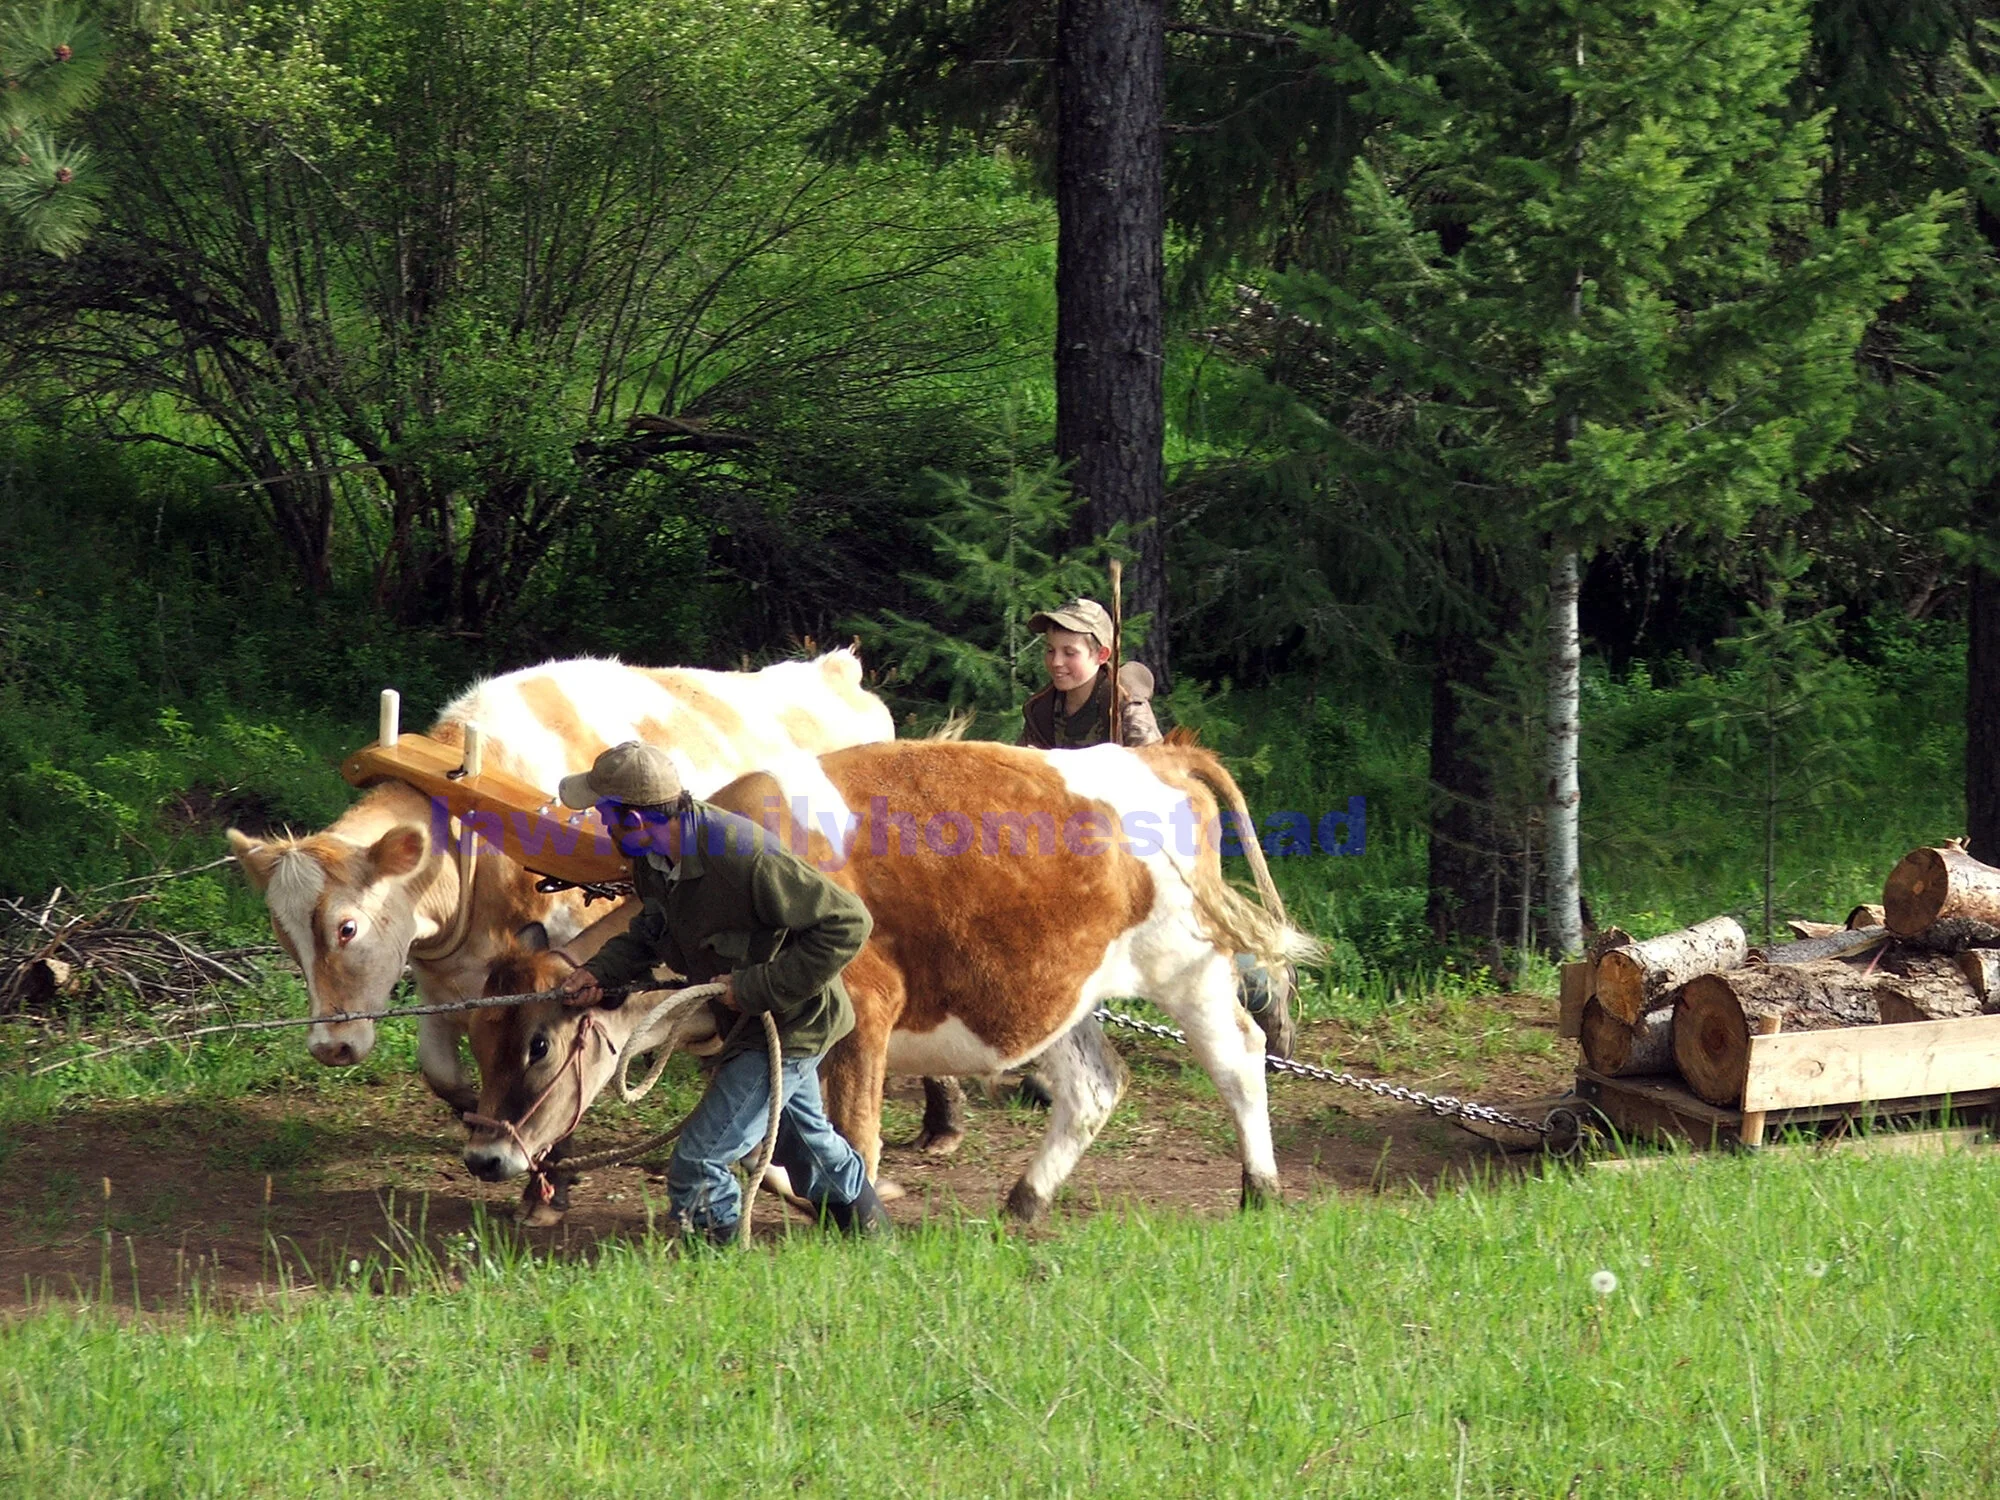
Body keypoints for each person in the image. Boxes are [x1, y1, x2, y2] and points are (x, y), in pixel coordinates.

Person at [555, 741, 890, 1243]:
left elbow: (847, 923)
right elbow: (653, 928)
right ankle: (871, 1238)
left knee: (701, 1160)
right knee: (806, 1146)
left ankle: (718, 1275)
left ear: (638, 818)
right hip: (748, 1023)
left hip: (791, 1023)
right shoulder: (652, 858)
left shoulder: (743, 856)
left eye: (605, 813)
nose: (600, 823)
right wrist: (600, 971)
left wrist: (757, 987)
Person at [1018, 597, 1162, 750]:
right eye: (1050, 650)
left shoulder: (1125, 705)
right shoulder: (1041, 710)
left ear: (1102, 655)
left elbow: (1155, 766)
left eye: (1069, 653)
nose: (1056, 662)